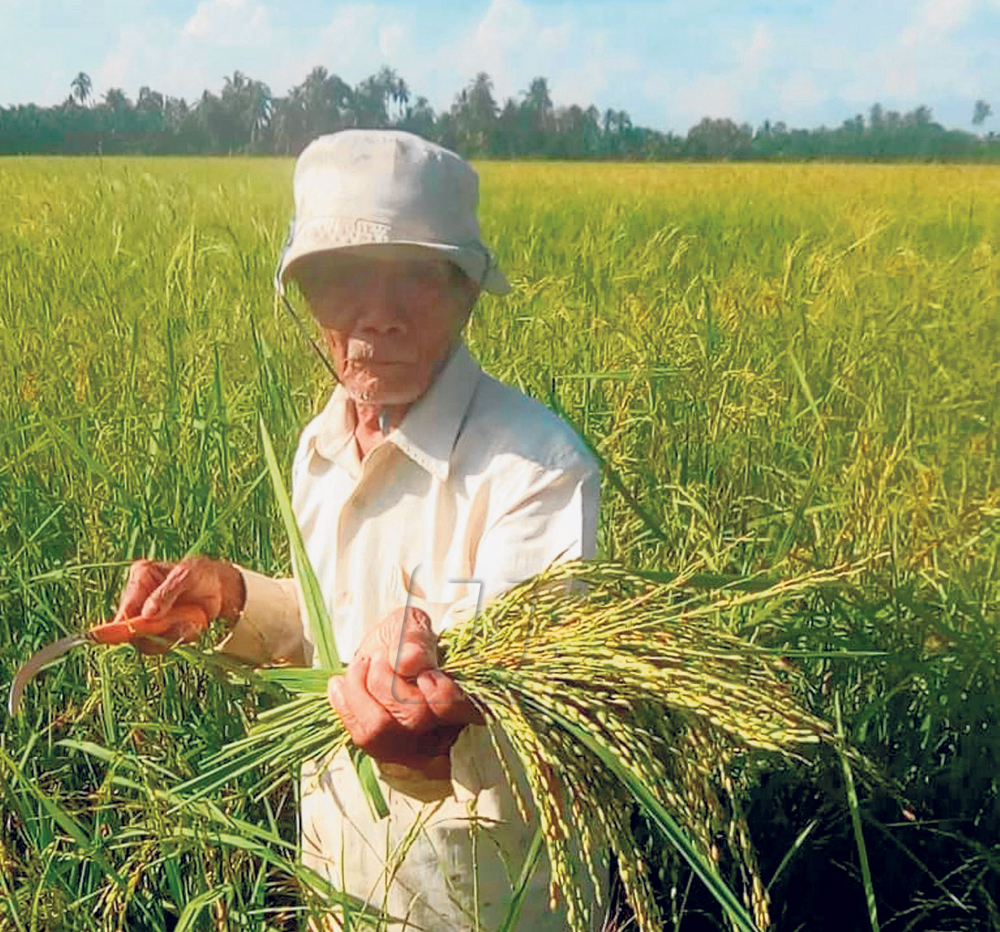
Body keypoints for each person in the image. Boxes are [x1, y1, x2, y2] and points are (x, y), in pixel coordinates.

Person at [115, 130, 600, 931]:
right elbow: (325, 623)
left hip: (485, 899)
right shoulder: (321, 445)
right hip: (340, 879)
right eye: (341, 278)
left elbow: (532, 713)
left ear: (468, 290)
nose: (380, 314)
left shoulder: (539, 469)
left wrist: (434, 739)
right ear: (304, 292)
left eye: (417, 276)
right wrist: (229, 601)